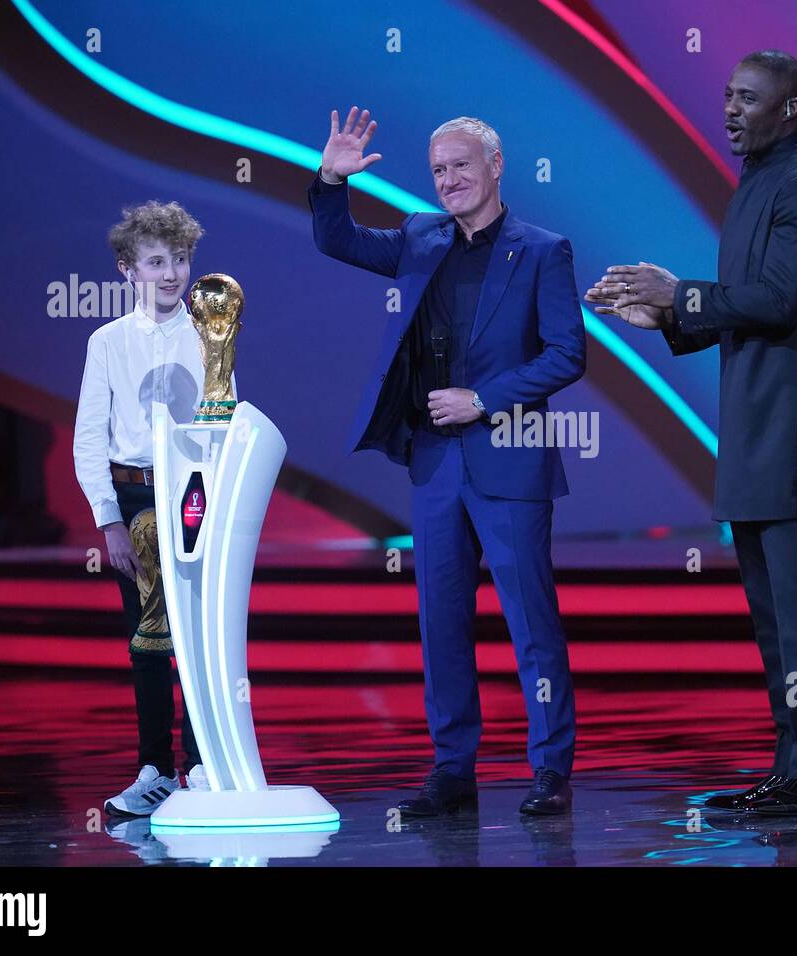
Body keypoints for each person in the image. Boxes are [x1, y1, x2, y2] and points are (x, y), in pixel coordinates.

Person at [585, 51, 797, 815]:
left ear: (791, 111)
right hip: (756, 422)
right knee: (772, 611)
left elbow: (777, 298)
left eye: (749, 99)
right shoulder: (763, 176)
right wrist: (670, 313)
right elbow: (745, 301)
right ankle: (791, 766)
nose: (732, 110)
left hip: (793, 425)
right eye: (730, 96)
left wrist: (681, 296)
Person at [309, 108, 585, 816]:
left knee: (532, 622)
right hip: (434, 464)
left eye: (461, 165)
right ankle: (453, 768)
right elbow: (337, 240)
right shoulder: (419, 236)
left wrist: (483, 400)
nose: (448, 180)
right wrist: (331, 181)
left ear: (496, 167)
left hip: (510, 459)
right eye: (437, 170)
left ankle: (549, 769)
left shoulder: (544, 249)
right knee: (441, 621)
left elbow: (566, 354)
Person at [74, 201, 214, 816]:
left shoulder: (212, 335)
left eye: (180, 259)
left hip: (195, 493)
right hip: (133, 496)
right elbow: (90, 436)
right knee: (150, 635)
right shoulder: (107, 342)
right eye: (156, 262)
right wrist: (109, 519)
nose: (172, 273)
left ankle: (206, 764)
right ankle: (155, 768)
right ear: (128, 269)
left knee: (202, 633)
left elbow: (222, 420)